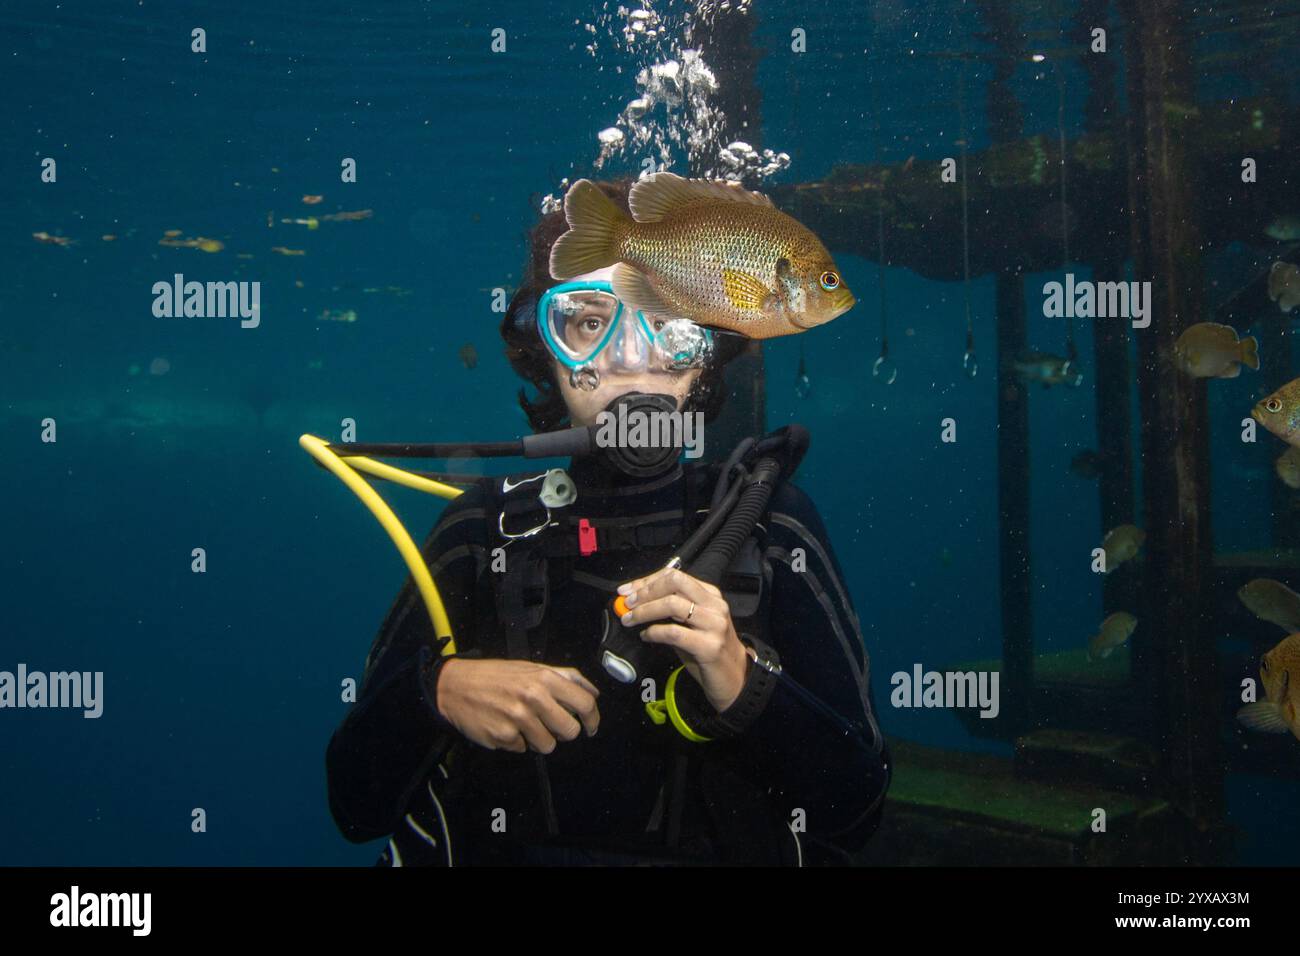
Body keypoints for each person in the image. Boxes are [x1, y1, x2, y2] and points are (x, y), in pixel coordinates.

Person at [325, 180, 890, 866]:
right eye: (588, 322)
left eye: (668, 318)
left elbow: (856, 811)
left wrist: (744, 683)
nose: (628, 358)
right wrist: (434, 691)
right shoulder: (479, 530)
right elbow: (354, 806)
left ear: (709, 345)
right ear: (544, 345)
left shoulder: (770, 523)